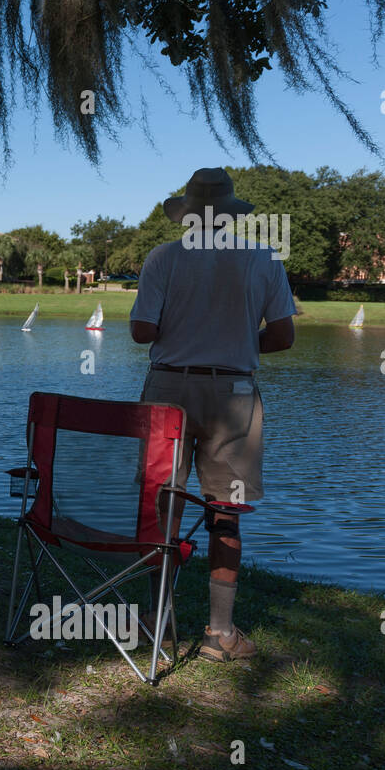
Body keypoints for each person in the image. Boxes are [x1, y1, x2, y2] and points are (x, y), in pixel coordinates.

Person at [129, 167, 296, 662]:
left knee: (165, 509)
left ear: (187, 213)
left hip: (167, 389)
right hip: (233, 394)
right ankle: (219, 634)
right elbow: (283, 336)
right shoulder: (263, 257)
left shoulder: (163, 257)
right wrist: (239, 342)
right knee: (226, 513)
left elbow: (142, 332)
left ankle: (154, 622)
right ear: (228, 215)